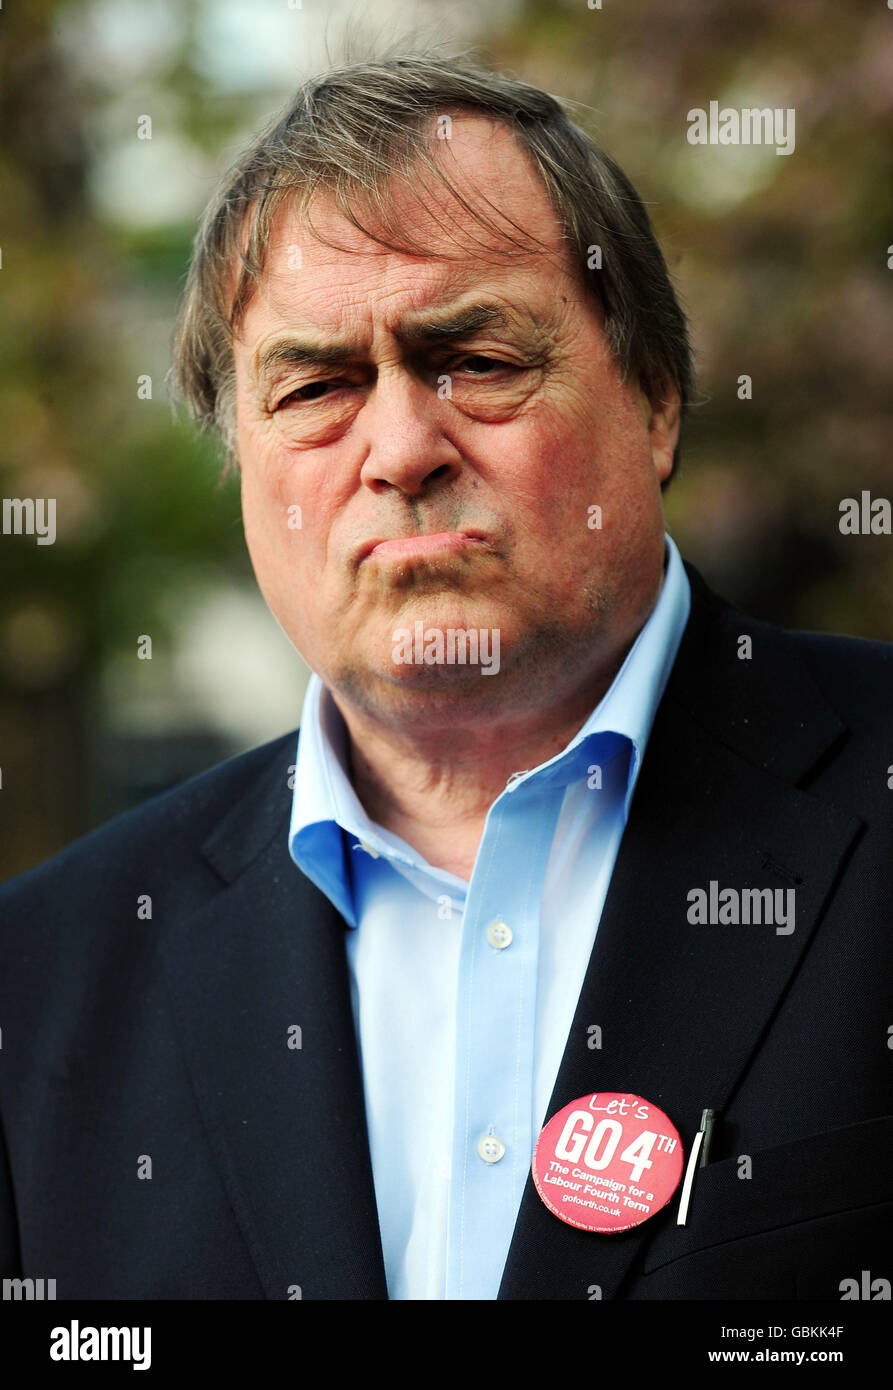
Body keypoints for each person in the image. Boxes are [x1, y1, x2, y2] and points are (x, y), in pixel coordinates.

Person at [0, 55, 890, 1302]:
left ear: (653, 403)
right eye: (315, 387)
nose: (402, 450)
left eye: (473, 357)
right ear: (240, 466)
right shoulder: (38, 984)